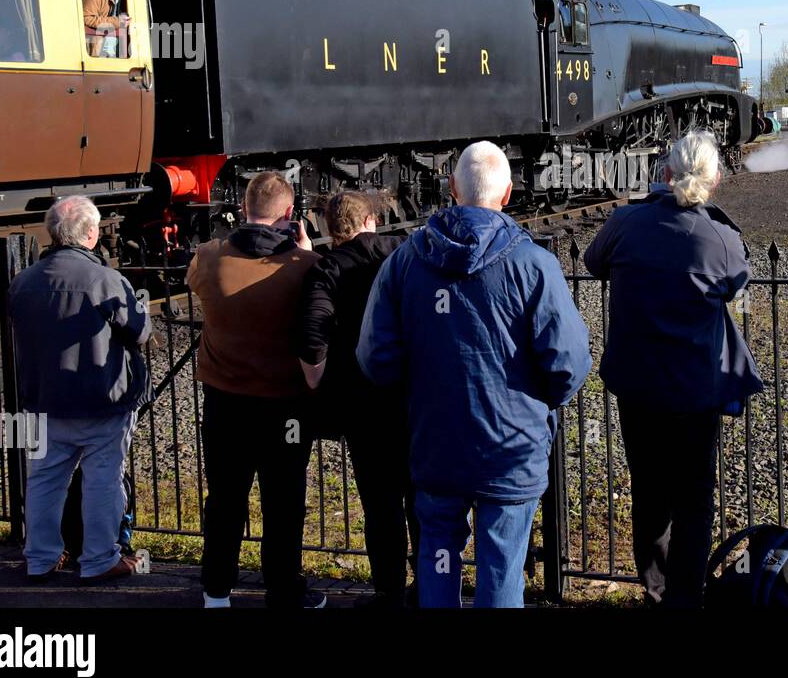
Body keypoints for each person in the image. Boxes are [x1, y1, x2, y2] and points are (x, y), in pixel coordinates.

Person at [357, 140, 591, 608]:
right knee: (501, 566)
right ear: (507, 193)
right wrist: (535, 404)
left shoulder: (404, 262)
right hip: (510, 447)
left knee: (438, 553)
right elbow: (568, 363)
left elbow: (375, 356)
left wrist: (422, 391)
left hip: (435, 442)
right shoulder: (534, 265)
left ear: (451, 189)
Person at [583, 132, 761, 607]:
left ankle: (658, 589)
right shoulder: (721, 239)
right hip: (694, 392)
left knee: (648, 489)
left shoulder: (625, 223)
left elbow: (593, 260)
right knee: (695, 497)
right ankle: (686, 596)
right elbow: (737, 284)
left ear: (664, 172)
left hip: (637, 388)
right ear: (715, 180)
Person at [186, 171, 323, 608]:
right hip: (285, 409)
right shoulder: (303, 268)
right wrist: (307, 253)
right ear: (288, 214)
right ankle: (283, 589)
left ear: (243, 209)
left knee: (225, 497)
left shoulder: (208, 257)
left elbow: (195, 282)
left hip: (224, 404)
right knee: (284, 501)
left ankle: (216, 589)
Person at [8, 196, 151, 584]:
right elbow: (139, 332)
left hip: (42, 401)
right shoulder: (104, 279)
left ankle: (39, 558)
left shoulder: (23, 282)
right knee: (103, 478)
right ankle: (99, 558)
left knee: (43, 480)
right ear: (91, 233)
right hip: (99, 402)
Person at [296, 189, 418, 607]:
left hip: (362, 403)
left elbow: (313, 337)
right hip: (414, 397)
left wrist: (317, 382)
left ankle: (388, 591)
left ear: (332, 229)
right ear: (371, 221)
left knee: (380, 502)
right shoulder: (404, 254)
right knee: (421, 495)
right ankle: (430, 584)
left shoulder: (326, 269)